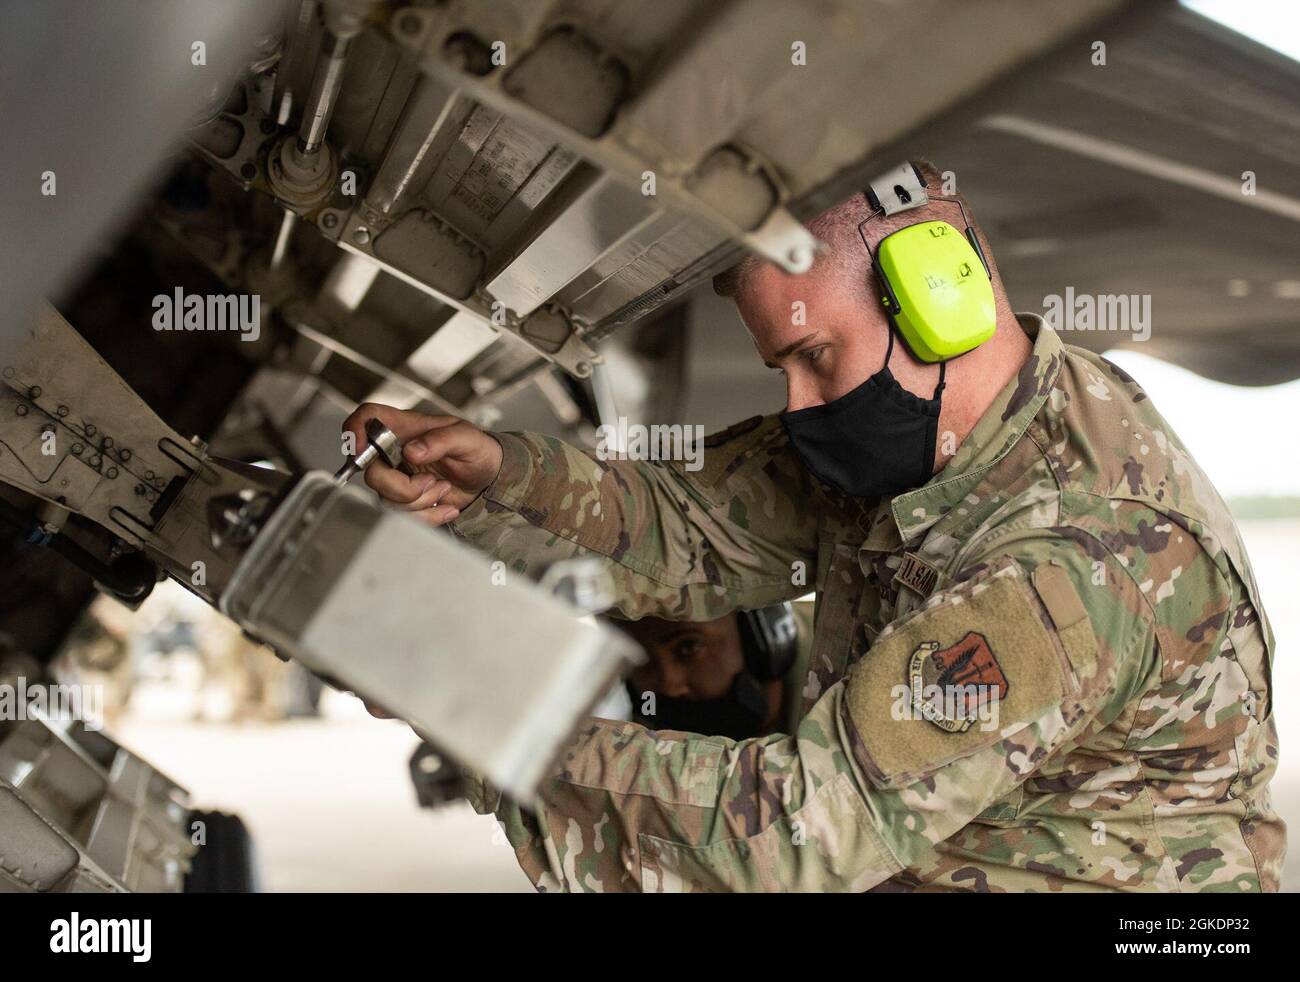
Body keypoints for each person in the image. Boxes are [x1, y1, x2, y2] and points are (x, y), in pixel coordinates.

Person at [344, 159, 1280, 892]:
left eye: (814, 356)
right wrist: (496, 477)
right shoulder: (924, 440)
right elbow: (696, 525)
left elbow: (796, 832)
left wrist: (476, 717)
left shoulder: (1074, 560)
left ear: (938, 295)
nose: (797, 405)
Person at [618, 603, 811, 741]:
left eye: (688, 647)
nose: (670, 686)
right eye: (639, 657)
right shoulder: (640, 740)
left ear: (768, 635)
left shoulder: (838, 699)